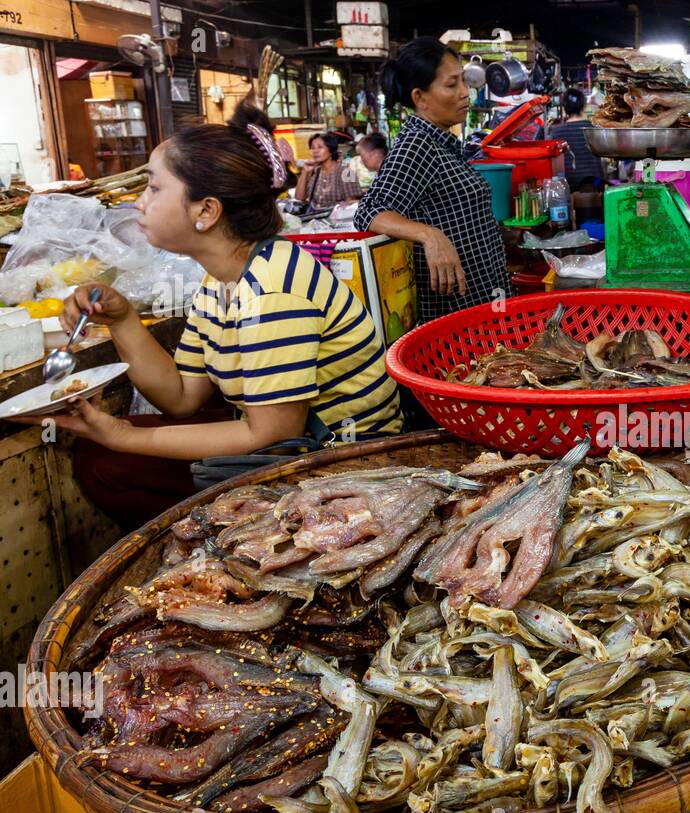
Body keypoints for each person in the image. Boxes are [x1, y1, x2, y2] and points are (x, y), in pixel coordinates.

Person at [15, 103, 403, 528]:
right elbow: (182, 397)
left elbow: (270, 432)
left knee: (109, 461)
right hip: (286, 441)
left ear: (206, 211)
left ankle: (219, 546)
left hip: (343, 464)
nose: (140, 205)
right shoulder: (221, 277)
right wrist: (122, 317)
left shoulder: (271, 290)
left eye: (154, 188)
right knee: (103, 453)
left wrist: (124, 436)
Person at [355, 37, 508, 326]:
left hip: (482, 303)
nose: (465, 93)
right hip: (456, 319)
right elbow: (369, 211)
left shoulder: (441, 142)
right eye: (452, 85)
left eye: (463, 81)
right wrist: (429, 235)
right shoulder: (418, 144)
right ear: (420, 97)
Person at [294, 132, 363, 213]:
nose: (315, 151)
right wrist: (305, 172)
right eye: (312, 148)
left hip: (338, 220)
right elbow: (299, 197)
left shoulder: (346, 172)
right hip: (315, 218)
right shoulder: (314, 172)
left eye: (320, 147)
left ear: (331, 150)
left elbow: (352, 206)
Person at [550, 88, 602, 188]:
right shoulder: (593, 128)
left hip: (568, 185)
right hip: (595, 183)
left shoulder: (556, 131)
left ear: (564, 107)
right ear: (583, 106)